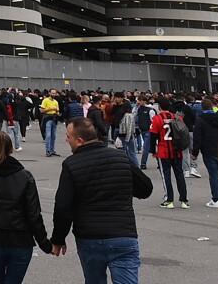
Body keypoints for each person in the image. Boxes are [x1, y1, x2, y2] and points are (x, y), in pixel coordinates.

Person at [49, 117, 153, 284]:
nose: (66, 139)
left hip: (89, 237)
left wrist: (59, 238)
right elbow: (146, 188)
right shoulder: (120, 157)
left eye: (68, 136)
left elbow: (63, 206)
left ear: (80, 141)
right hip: (123, 234)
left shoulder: (71, 164)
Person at [0, 130, 50, 284]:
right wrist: (45, 243)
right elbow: (34, 214)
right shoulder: (25, 176)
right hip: (21, 238)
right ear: (11, 149)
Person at [151, 101, 189, 208]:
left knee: (166, 176)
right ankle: (184, 200)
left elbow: (153, 136)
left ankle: (169, 200)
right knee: (179, 174)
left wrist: (153, 151)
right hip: (177, 150)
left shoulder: (157, 119)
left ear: (159, 107)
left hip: (164, 151)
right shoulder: (177, 118)